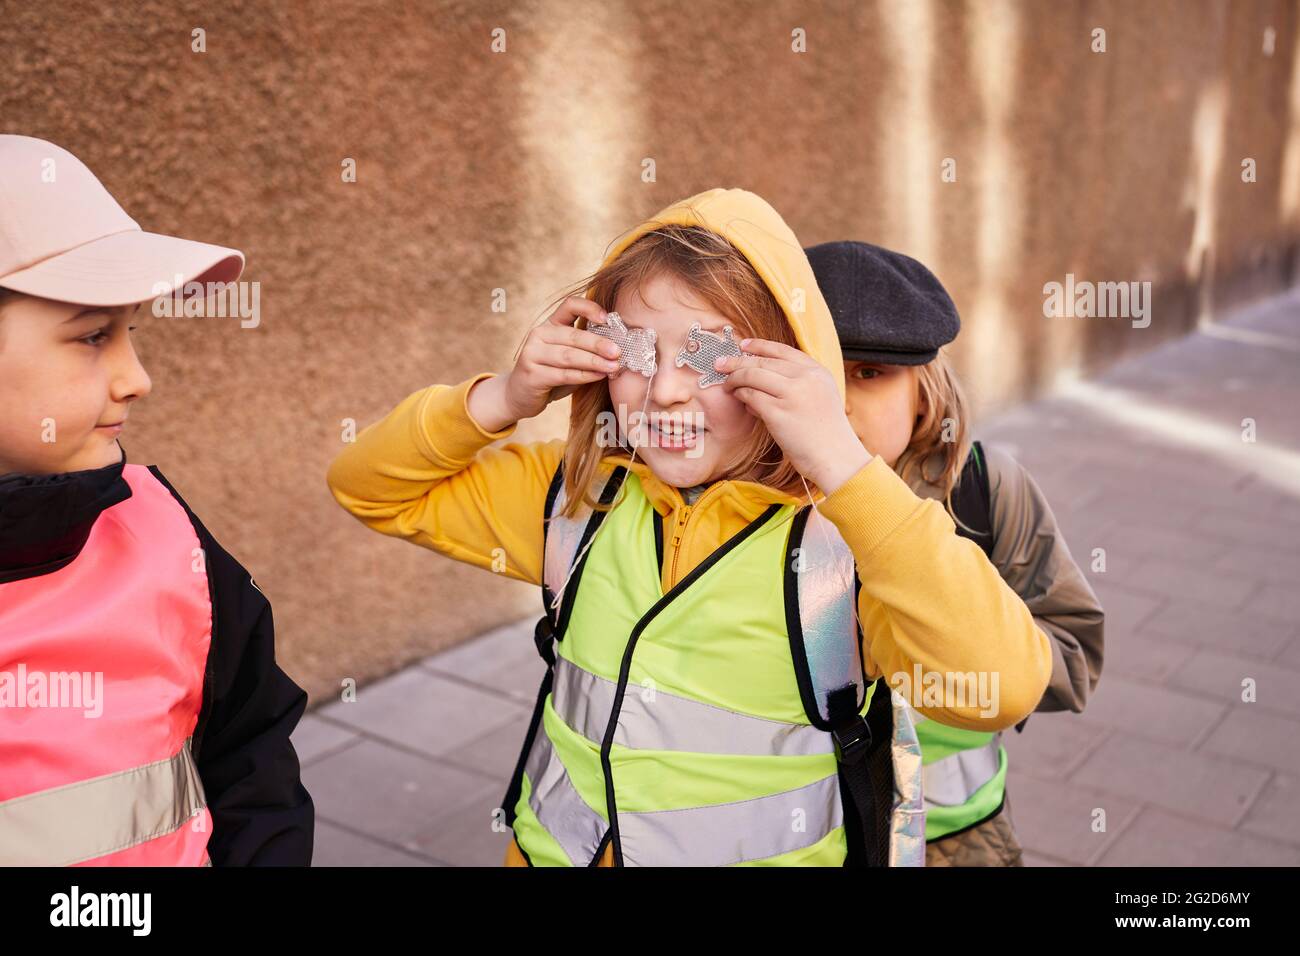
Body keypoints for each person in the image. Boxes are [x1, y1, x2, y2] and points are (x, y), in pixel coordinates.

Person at [326, 187, 1053, 866]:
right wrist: (501, 397)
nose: (666, 388)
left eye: (711, 356)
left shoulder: (850, 550)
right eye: (636, 352)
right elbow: (368, 487)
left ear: (790, 364)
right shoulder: (573, 498)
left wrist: (843, 463)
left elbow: (1001, 684)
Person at [0, 135, 313, 866]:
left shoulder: (168, 538)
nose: (137, 377)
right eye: (91, 337)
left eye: (130, 332)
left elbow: (253, 759)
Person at [806, 238, 1105, 866]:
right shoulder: (752, 500)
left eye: (869, 373)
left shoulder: (982, 489)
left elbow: (1074, 655)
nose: (839, 402)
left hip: (956, 838)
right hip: (806, 839)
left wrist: (956, 651)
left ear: (925, 388)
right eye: (820, 370)